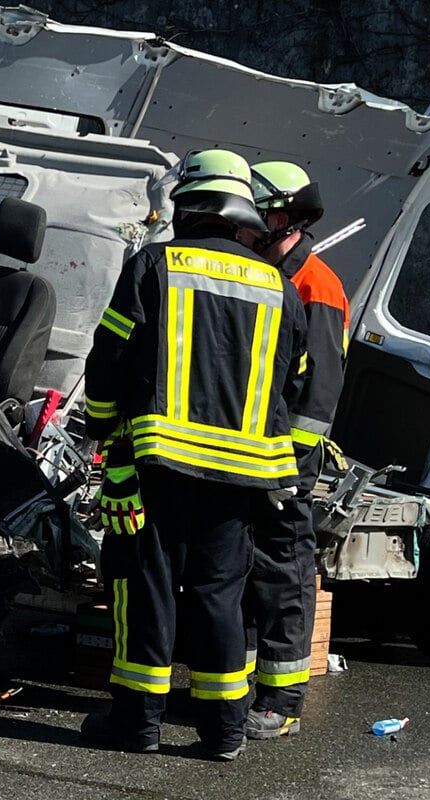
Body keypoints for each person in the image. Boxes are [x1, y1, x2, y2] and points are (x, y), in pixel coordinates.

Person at [80, 150, 307, 760]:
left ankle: (138, 723)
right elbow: (293, 383)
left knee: (146, 588)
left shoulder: (154, 263)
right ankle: (223, 732)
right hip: (244, 477)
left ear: (187, 206)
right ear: (240, 215)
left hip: (160, 468)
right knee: (220, 597)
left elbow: (109, 357)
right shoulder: (279, 287)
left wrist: (103, 433)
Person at [240, 161, 350, 740]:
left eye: (265, 210)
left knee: (282, 575)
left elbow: (318, 395)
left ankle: (282, 703)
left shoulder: (317, 285)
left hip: (284, 465)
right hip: (238, 452)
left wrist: (290, 468)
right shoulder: (255, 270)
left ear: (292, 217)